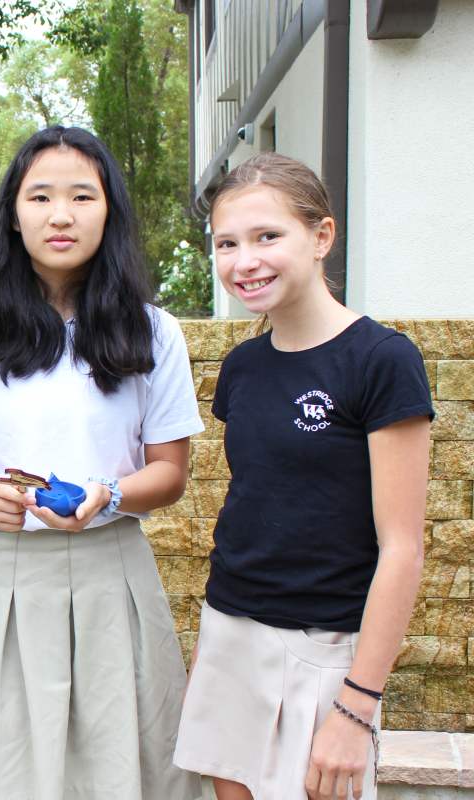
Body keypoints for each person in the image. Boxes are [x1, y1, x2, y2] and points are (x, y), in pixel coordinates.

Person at [0, 126, 203, 800]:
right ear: (12, 215)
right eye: (40, 196)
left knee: (121, 770)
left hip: (114, 572)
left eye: (82, 196)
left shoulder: (153, 332)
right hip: (0, 579)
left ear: (109, 212)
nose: (61, 215)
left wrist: (110, 493)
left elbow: (170, 473)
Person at [173, 153, 431, 800]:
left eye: (267, 236)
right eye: (227, 243)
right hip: (230, 633)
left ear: (321, 237)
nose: (244, 261)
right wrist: (209, 648)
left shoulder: (382, 361)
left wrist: (357, 706)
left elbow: (403, 550)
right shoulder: (241, 368)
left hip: (325, 652)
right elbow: (255, 507)